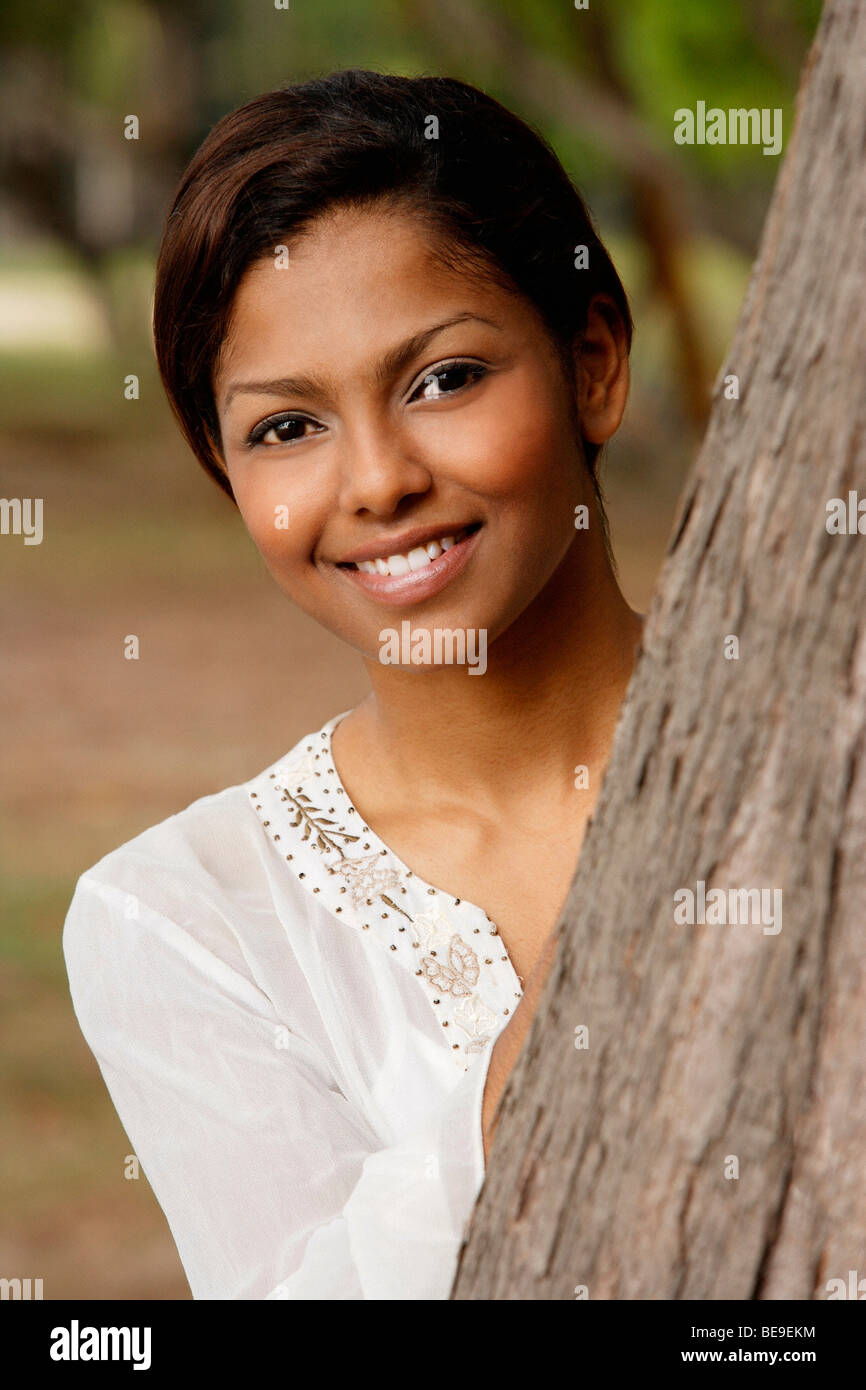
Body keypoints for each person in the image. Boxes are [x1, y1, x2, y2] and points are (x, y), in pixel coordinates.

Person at [63, 69, 644, 1300]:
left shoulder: (824, 747)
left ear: (590, 363)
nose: (375, 482)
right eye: (286, 428)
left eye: (442, 380)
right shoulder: (186, 919)